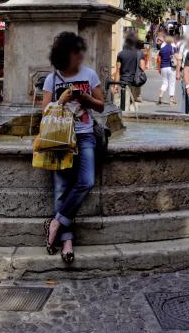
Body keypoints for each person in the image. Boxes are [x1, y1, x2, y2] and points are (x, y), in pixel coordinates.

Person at [42, 32, 105, 264]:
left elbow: (101, 106)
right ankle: (67, 241)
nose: (79, 56)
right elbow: (44, 111)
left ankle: (57, 222)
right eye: (75, 52)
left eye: (80, 51)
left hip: (85, 135)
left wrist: (86, 99)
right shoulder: (53, 79)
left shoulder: (90, 74)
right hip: (60, 138)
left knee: (86, 181)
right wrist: (62, 100)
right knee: (61, 188)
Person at [114, 35, 146, 106]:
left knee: (124, 104)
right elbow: (143, 68)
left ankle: (125, 114)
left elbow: (118, 70)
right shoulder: (139, 53)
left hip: (123, 82)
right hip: (136, 82)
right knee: (134, 104)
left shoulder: (121, 54)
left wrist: (116, 85)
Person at [157, 34, 178, 105]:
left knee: (164, 83)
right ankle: (171, 100)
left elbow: (159, 59)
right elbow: (177, 58)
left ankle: (161, 95)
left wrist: (159, 68)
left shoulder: (162, 49)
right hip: (171, 67)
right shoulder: (173, 48)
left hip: (163, 67)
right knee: (172, 83)